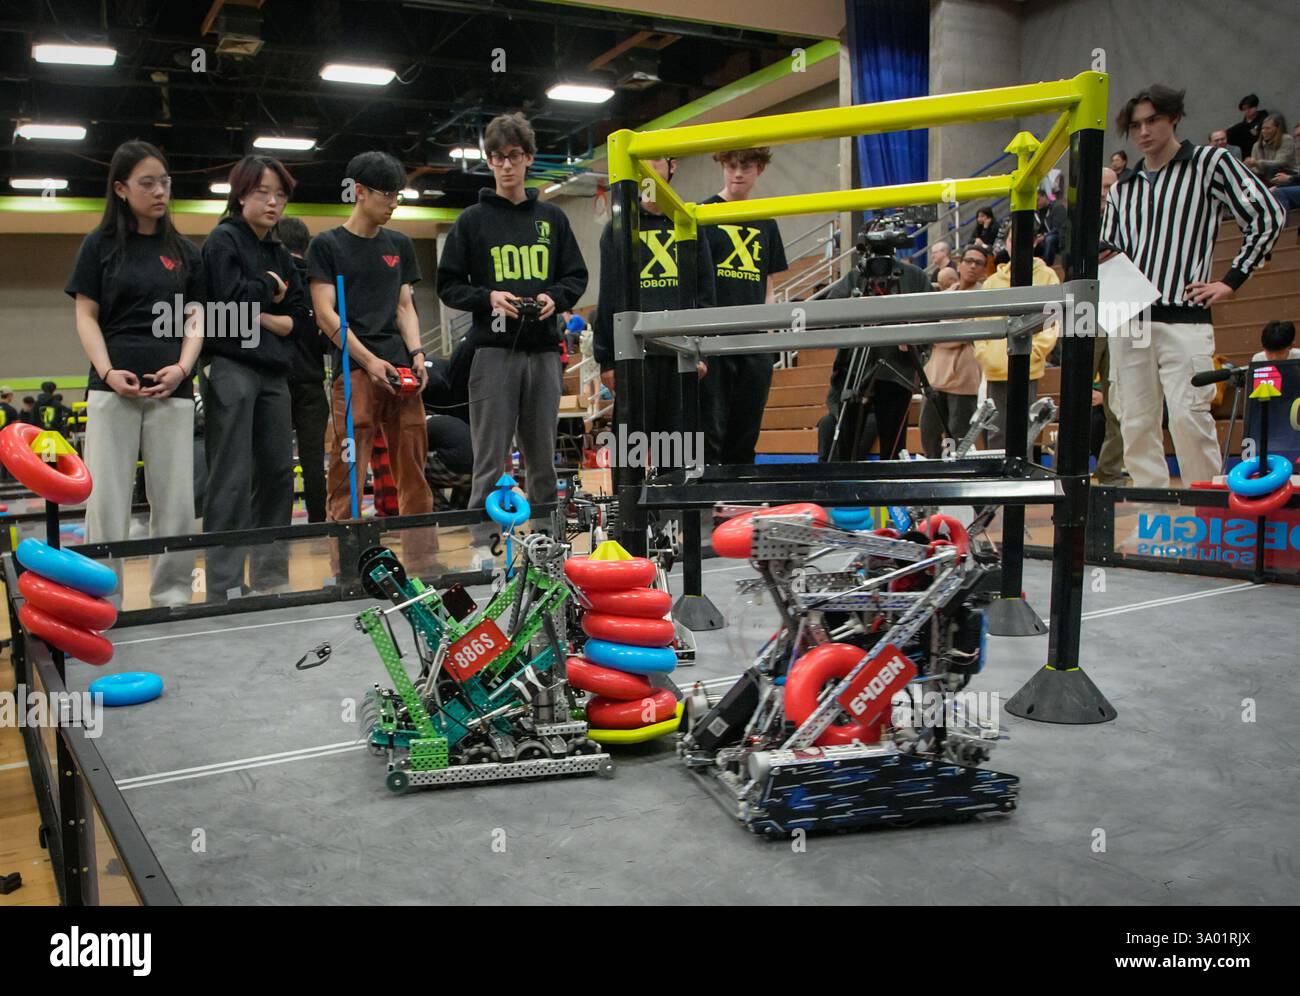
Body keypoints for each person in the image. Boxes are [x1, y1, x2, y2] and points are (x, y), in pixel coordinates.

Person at [1103, 84, 1282, 488]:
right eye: (1135, 125)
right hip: (1127, 319)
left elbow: (1268, 214)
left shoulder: (1209, 163)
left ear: (1174, 119)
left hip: (1184, 314)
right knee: (1135, 421)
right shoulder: (1123, 188)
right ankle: (1151, 518)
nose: (1144, 132)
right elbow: (1109, 247)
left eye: (1153, 121)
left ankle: (1207, 516)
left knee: (1189, 417)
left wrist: (1230, 281)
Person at [436, 112, 588, 562]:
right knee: (489, 458)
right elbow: (448, 285)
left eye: (515, 156)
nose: (507, 165)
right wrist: (488, 298)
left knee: (542, 458)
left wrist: (554, 298)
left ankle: (546, 543)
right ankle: (484, 548)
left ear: (529, 159)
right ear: (488, 161)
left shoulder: (552, 218)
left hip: (543, 352)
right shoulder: (472, 221)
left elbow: (576, 275)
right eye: (498, 157)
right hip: (492, 353)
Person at [66, 139, 204, 607]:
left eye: (164, 181)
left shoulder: (185, 251)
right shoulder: (98, 246)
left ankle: (173, 594)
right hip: (112, 389)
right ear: (121, 188)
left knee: (176, 503)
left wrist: (183, 368)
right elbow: (86, 316)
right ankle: (104, 598)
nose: (159, 191)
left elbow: (196, 319)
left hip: (173, 389)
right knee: (106, 501)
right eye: (147, 183)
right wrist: (107, 372)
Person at [308, 150, 436, 566]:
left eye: (399, 194)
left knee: (413, 467)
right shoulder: (327, 245)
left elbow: (404, 307)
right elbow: (326, 314)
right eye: (387, 194)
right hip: (354, 370)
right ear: (359, 192)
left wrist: (417, 352)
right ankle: (348, 565)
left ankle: (422, 561)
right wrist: (368, 361)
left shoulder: (398, 245)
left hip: (400, 372)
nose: (394, 203)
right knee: (347, 468)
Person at [201, 155, 310, 601]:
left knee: (278, 473)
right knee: (231, 474)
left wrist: (262, 305)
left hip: (273, 374)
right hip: (231, 367)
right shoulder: (222, 242)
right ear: (242, 193)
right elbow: (225, 306)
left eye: (280, 194)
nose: (273, 202)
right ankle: (224, 583)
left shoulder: (280, 251)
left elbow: (298, 317)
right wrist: (269, 291)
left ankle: (269, 577)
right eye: (263, 192)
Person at [594, 156, 715, 442]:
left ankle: (673, 490)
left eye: (656, 160)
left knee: (677, 451)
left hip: (680, 355)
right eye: (641, 162)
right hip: (634, 355)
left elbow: (705, 293)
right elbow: (608, 294)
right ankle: (630, 491)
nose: (648, 168)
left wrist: (702, 352)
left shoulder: (689, 223)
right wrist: (606, 360)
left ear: (673, 166)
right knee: (630, 451)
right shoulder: (617, 227)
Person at [697, 146, 789, 467]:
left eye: (746, 167)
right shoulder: (701, 214)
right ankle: (707, 506)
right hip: (714, 338)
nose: (738, 174)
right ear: (722, 164)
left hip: (753, 341)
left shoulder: (766, 221)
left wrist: (769, 337)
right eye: (732, 165)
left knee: (746, 431)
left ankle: (738, 504)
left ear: (760, 170)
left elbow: (768, 286)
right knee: (710, 430)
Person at [818, 244, 930, 462]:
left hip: (898, 370)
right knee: (846, 444)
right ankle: (845, 487)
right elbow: (829, 313)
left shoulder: (914, 276)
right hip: (856, 368)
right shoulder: (856, 276)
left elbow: (933, 317)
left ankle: (892, 490)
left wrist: (914, 336)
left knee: (894, 447)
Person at [973, 223, 1059, 456]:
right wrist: (984, 355)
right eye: (1012, 240)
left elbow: (1052, 321)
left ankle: (1024, 485)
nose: (1016, 246)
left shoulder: (1047, 276)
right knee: (996, 432)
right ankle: (1000, 486)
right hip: (994, 368)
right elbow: (980, 324)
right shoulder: (992, 282)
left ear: (1034, 243)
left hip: (1027, 366)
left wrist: (1036, 351)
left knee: (1026, 432)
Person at [276, 215, 329, 523]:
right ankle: (319, 523)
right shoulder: (318, 282)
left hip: (277, 379)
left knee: (277, 458)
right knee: (313, 460)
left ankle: (278, 525)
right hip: (311, 379)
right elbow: (327, 339)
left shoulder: (276, 279)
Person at [920, 245, 986, 457]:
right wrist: (942, 331)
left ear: (984, 269)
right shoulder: (945, 294)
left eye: (979, 263)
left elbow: (963, 331)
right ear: (960, 263)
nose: (972, 266)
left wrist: (940, 333)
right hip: (935, 375)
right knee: (928, 434)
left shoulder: (984, 297)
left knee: (958, 439)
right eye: (969, 261)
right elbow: (930, 327)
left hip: (964, 378)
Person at [1092, 167, 1125, 485]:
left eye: (1110, 186)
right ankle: (1064, 471)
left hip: (1123, 311)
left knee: (1119, 403)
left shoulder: (1130, 217)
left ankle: (1110, 472)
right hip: (1086, 310)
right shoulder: (1079, 217)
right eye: (1102, 186)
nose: (1106, 192)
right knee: (1074, 399)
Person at [1245, 113, 1296, 184]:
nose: (1263, 131)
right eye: (1263, 128)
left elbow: (1281, 162)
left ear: (1277, 129)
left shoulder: (1286, 139)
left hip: (1285, 173)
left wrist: (1257, 163)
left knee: (1273, 169)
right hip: (1264, 175)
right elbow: (1256, 169)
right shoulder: (1256, 145)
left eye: (1268, 128)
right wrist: (1250, 164)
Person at [1224, 93, 1267, 164]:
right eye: (1244, 109)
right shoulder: (1245, 121)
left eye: (1249, 108)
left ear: (1255, 107)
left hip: (1259, 150)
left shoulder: (1263, 119)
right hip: (1244, 150)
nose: (1247, 111)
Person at [1036, 190, 1067, 265]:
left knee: (1049, 239)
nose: (1037, 204)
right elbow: (1041, 227)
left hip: (1059, 236)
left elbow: (1058, 228)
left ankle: (1047, 264)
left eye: (1038, 200)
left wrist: (1044, 236)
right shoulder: (1040, 211)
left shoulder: (1057, 207)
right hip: (1047, 236)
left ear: (1044, 197)